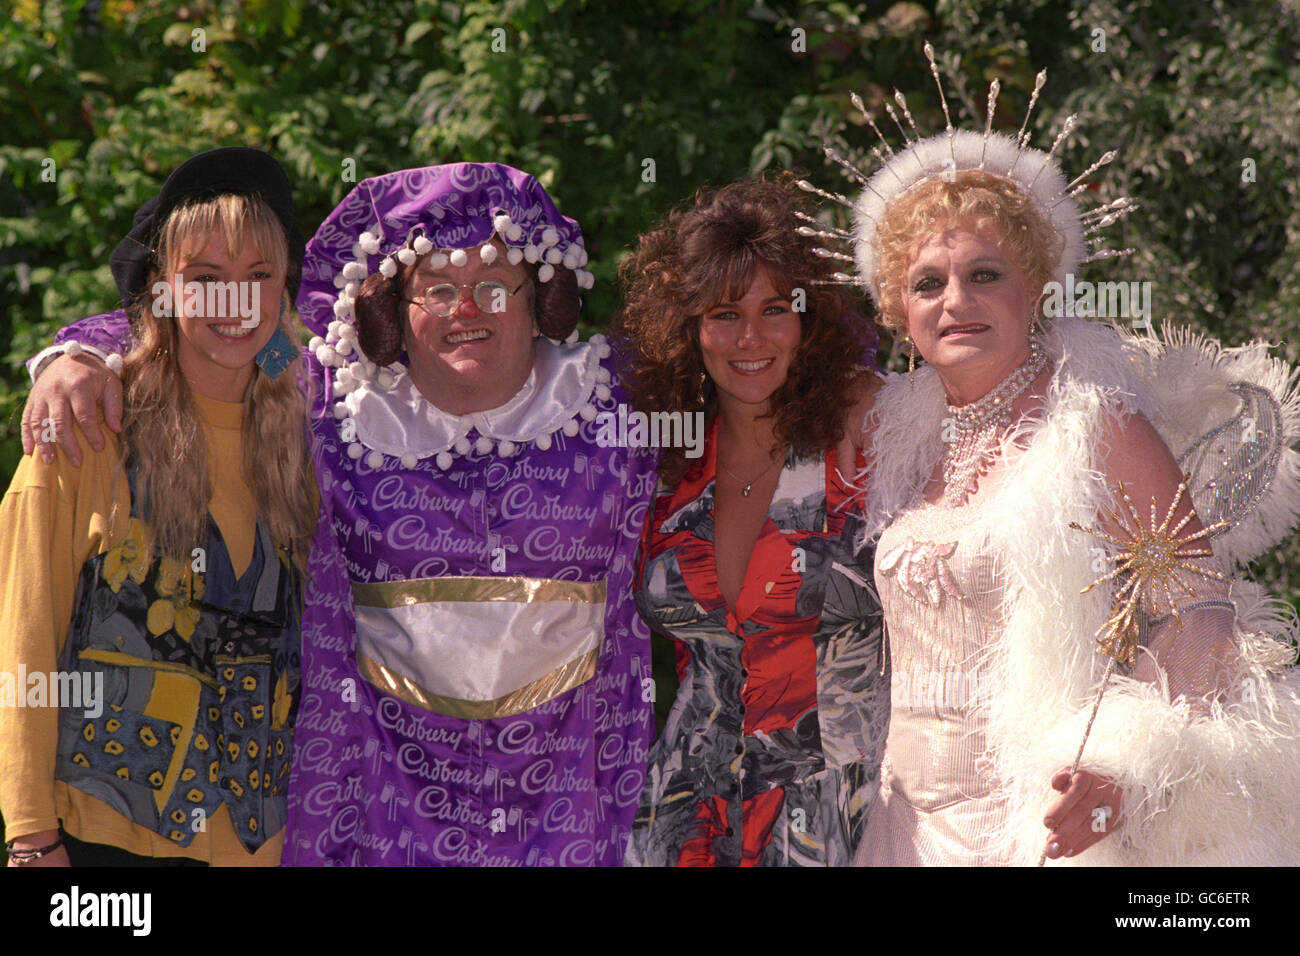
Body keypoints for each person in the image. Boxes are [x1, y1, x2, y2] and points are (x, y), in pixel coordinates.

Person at [19, 162, 658, 866]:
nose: (465, 309)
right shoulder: (328, 397)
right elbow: (204, 328)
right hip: (381, 809)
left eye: (493, 286)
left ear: (539, 297)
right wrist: (75, 353)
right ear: (392, 311)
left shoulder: (618, 400)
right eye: (437, 288)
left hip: (575, 795)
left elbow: (737, 350)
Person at [811, 50, 1300, 865]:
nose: (956, 302)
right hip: (903, 827)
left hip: (1042, 824)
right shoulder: (902, 438)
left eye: (985, 274)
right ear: (899, 309)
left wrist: (1118, 768)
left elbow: (1200, 615)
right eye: (927, 283)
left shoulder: (1098, 432)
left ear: (1034, 288)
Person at [1, 147, 320, 866]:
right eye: (205, 279)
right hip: (102, 852)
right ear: (163, 292)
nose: (235, 303)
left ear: (283, 291)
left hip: (269, 851)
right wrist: (29, 838)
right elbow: (21, 648)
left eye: (257, 277)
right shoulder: (87, 433)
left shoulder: (311, 443)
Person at [616, 177, 890, 866]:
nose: (750, 337)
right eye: (723, 312)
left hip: (846, 814)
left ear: (810, 320)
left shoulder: (867, 437)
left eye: (775, 309)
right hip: (683, 816)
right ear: (691, 325)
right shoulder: (667, 464)